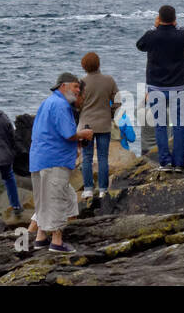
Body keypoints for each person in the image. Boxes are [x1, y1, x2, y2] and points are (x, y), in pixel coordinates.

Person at [27, 73, 94, 253]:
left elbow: (53, 132)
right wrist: (83, 135)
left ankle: (40, 237)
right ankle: (57, 241)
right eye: (75, 87)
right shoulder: (61, 105)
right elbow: (68, 134)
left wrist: (75, 140)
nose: (78, 90)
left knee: (52, 199)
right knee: (57, 199)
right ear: (63, 86)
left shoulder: (47, 103)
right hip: (54, 161)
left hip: (39, 159)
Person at [135, 5, 184, 171]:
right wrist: (178, 26)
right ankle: (179, 162)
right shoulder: (181, 34)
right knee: (178, 125)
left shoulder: (152, 35)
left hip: (156, 86)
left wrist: (154, 27)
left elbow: (139, 44)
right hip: (178, 85)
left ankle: (165, 161)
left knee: (160, 125)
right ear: (174, 18)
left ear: (159, 18)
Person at [77, 53, 119, 200]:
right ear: (99, 64)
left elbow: (77, 103)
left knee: (87, 157)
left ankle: (88, 189)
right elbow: (118, 100)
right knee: (102, 157)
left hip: (86, 125)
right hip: (104, 123)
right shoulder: (109, 80)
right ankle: (102, 189)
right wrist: (111, 112)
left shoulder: (81, 82)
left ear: (84, 66)